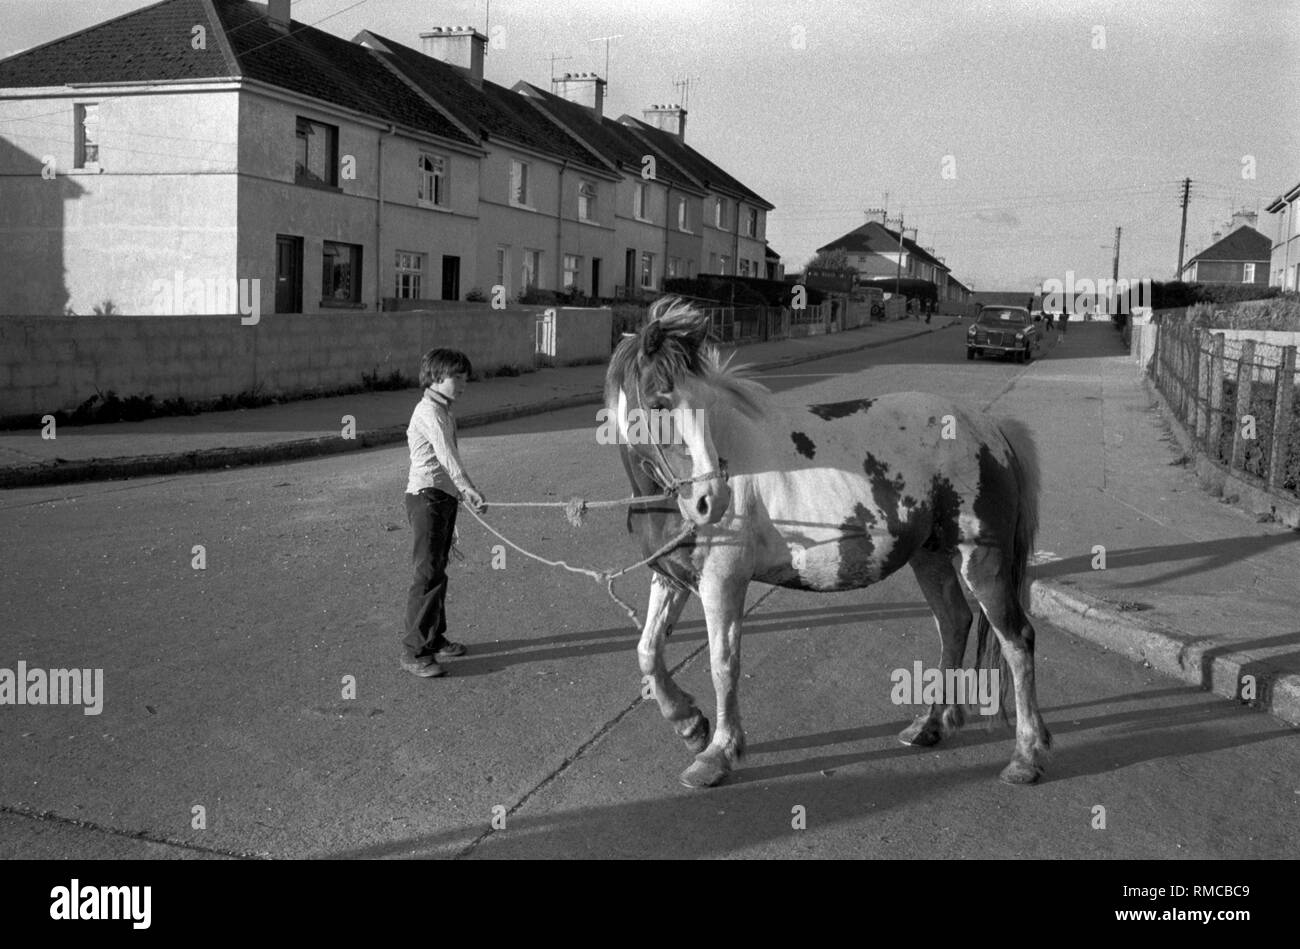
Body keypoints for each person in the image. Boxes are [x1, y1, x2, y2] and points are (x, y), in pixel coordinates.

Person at [401, 348, 487, 678]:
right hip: (426, 499)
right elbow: (447, 457)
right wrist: (468, 487)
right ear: (437, 377)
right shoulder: (430, 413)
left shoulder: (444, 410)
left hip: (442, 497)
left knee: (438, 570)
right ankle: (414, 651)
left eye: (466, 377)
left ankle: (434, 637)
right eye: (457, 377)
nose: (464, 383)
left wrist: (463, 490)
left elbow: (449, 461)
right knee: (426, 574)